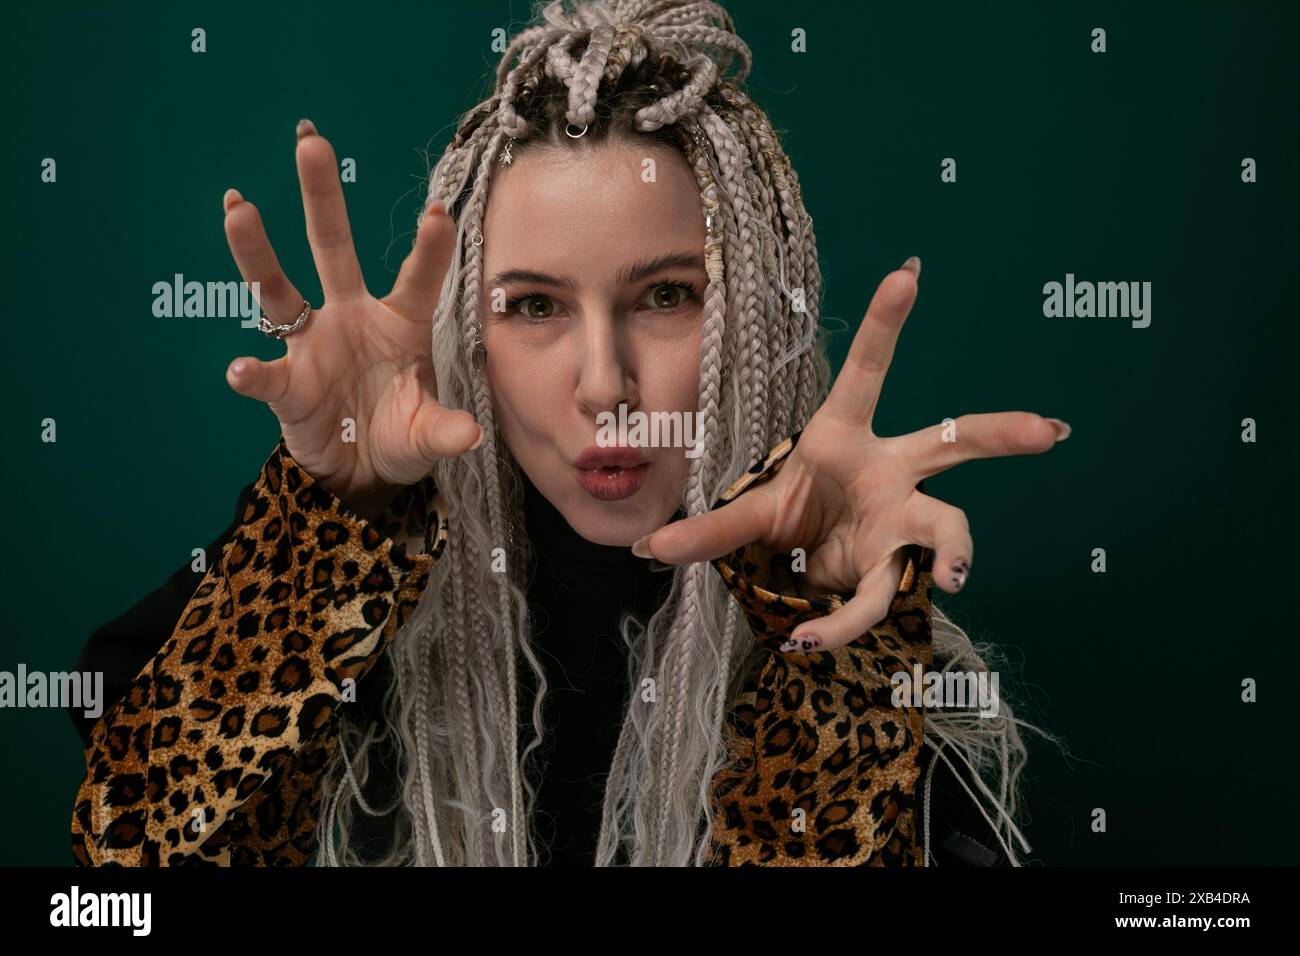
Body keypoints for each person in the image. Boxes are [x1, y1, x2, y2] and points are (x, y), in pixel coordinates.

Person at [68, 0, 1064, 867]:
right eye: (534, 306)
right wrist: (334, 519)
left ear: (751, 318)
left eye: (667, 295)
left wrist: (822, 611)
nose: (604, 384)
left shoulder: (859, 641)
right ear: (468, 335)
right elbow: (134, 858)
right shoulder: (356, 611)